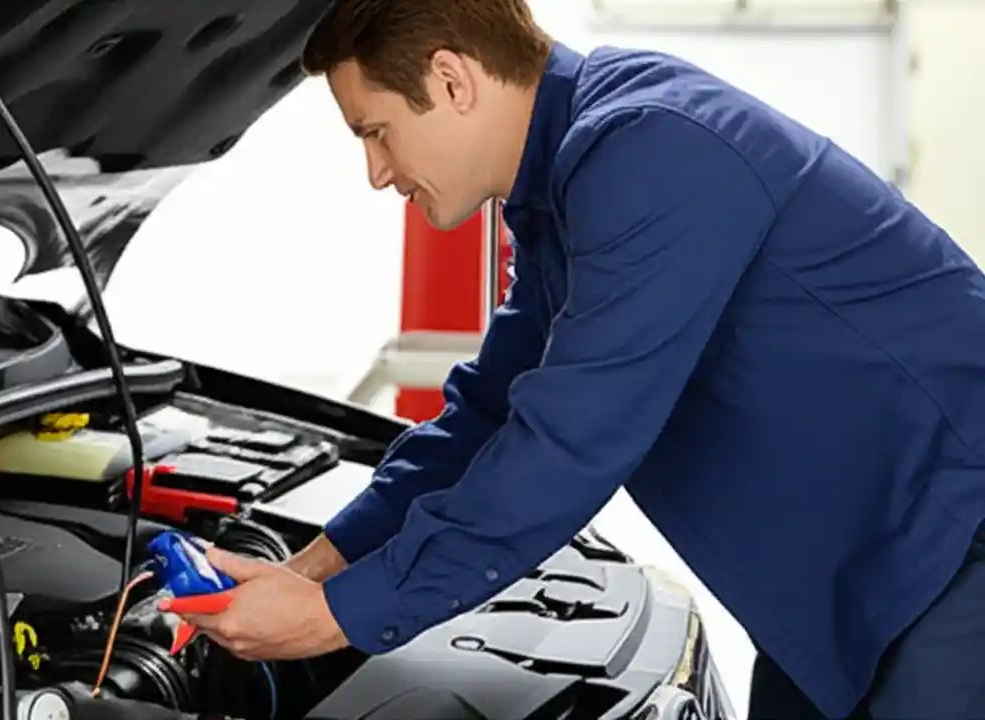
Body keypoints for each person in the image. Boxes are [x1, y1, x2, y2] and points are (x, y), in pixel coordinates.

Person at [162, 1, 985, 717]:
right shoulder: (575, 176)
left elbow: (569, 443)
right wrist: (312, 567)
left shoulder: (652, 147)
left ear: (451, 80)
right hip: (844, 585)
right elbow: (488, 416)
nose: (377, 173)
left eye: (376, 132)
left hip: (952, 549)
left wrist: (332, 618)